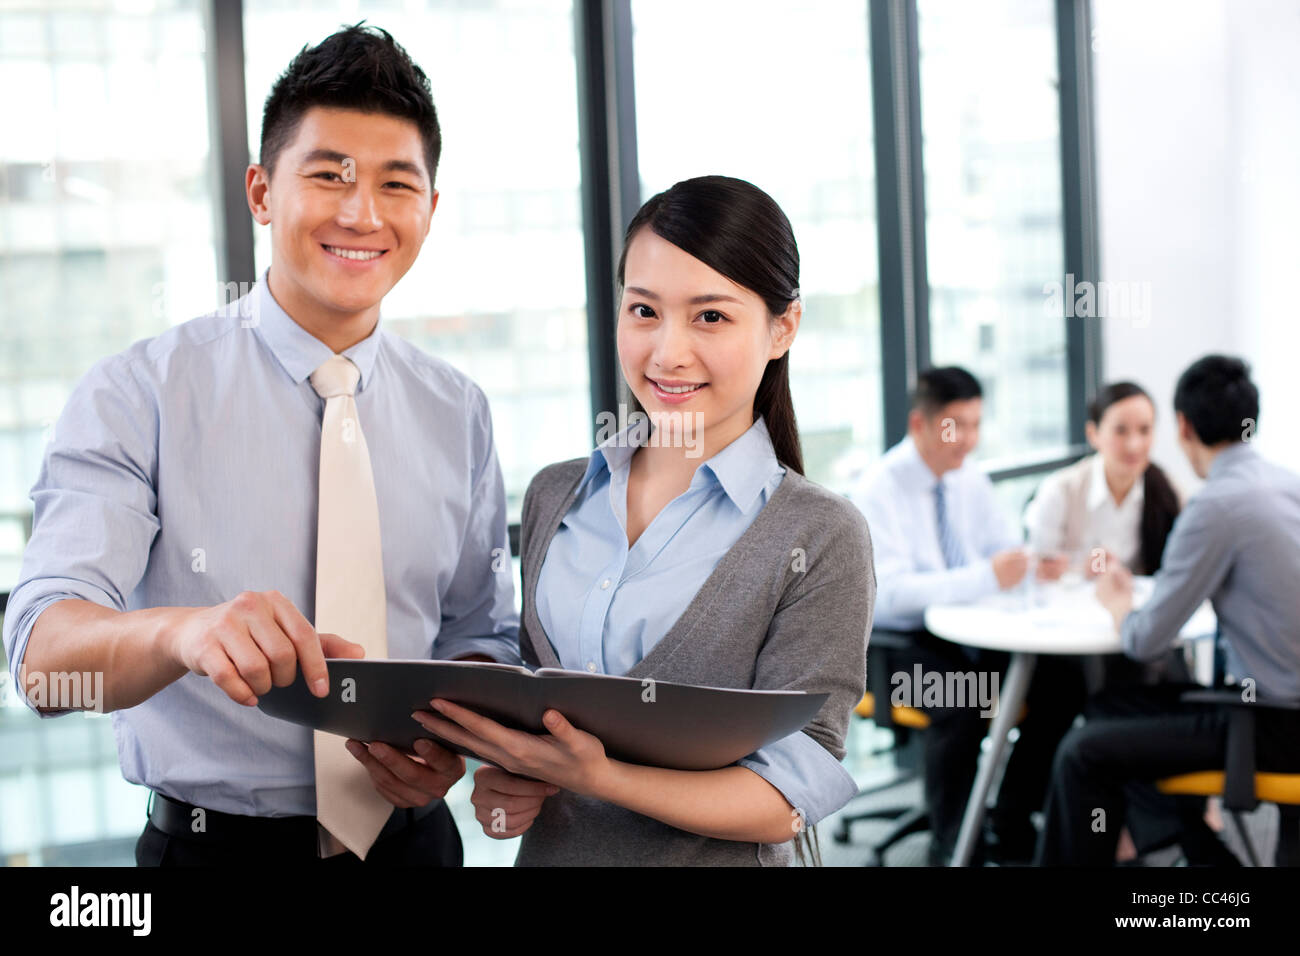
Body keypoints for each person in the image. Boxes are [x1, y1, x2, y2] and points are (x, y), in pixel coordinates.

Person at [2, 24, 520, 866]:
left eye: (397, 184)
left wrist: (449, 740)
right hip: (213, 854)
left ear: (430, 208)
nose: (362, 213)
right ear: (261, 191)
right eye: (328, 176)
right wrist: (184, 635)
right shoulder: (139, 394)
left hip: (415, 847)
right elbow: (41, 660)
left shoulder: (458, 409)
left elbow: (480, 631)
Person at [410, 175, 875, 865]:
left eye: (710, 317)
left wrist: (599, 779)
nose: (668, 352)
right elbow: (533, 718)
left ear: (784, 327)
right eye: (644, 311)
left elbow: (787, 798)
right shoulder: (555, 495)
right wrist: (508, 784)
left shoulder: (818, 535)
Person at [1037, 355, 1300, 866]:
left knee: (1082, 752)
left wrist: (1117, 603)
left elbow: (1145, 640)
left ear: (1181, 425)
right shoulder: (1286, 484)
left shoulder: (1214, 506)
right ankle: (1202, 856)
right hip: (1277, 707)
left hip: (1270, 723)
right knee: (1110, 707)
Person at [851, 366, 1084, 865]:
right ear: (920, 424)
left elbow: (999, 551)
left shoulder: (969, 480)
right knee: (963, 703)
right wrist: (987, 576)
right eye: (958, 426)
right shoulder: (878, 490)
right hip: (894, 649)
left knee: (1065, 681)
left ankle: (1010, 815)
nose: (970, 440)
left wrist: (1029, 566)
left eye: (977, 425)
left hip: (964, 640)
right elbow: (887, 595)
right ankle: (954, 844)